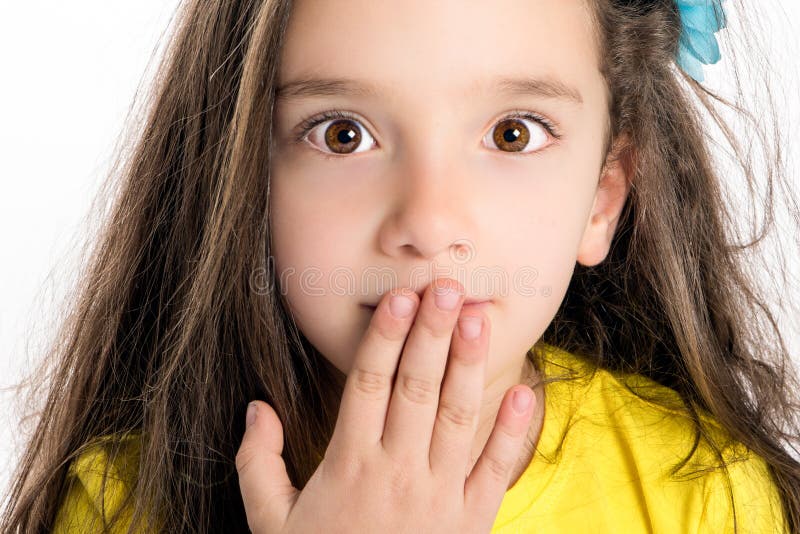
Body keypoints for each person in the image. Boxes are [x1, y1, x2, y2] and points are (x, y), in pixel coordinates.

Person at [2, 0, 799, 532]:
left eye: (514, 133)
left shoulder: (709, 499)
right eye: (342, 134)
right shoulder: (119, 506)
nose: (428, 221)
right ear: (243, 180)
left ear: (602, 198)